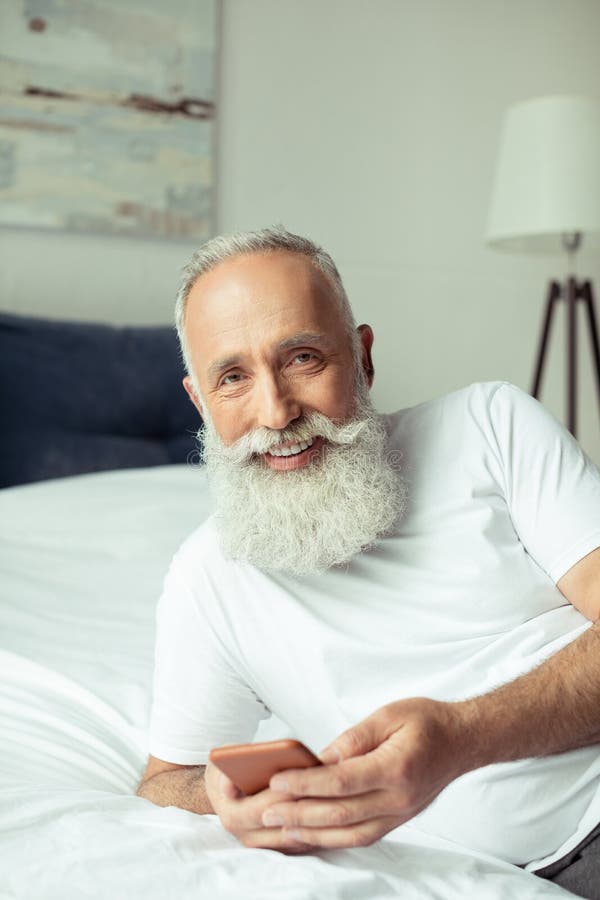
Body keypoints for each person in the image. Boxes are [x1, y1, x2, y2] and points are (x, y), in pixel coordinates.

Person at [137, 227, 600, 898]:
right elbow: (163, 780)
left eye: (302, 358)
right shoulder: (206, 579)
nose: (277, 411)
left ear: (362, 357)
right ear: (199, 402)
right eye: (233, 378)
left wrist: (462, 737)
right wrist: (219, 794)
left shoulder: (491, 427)